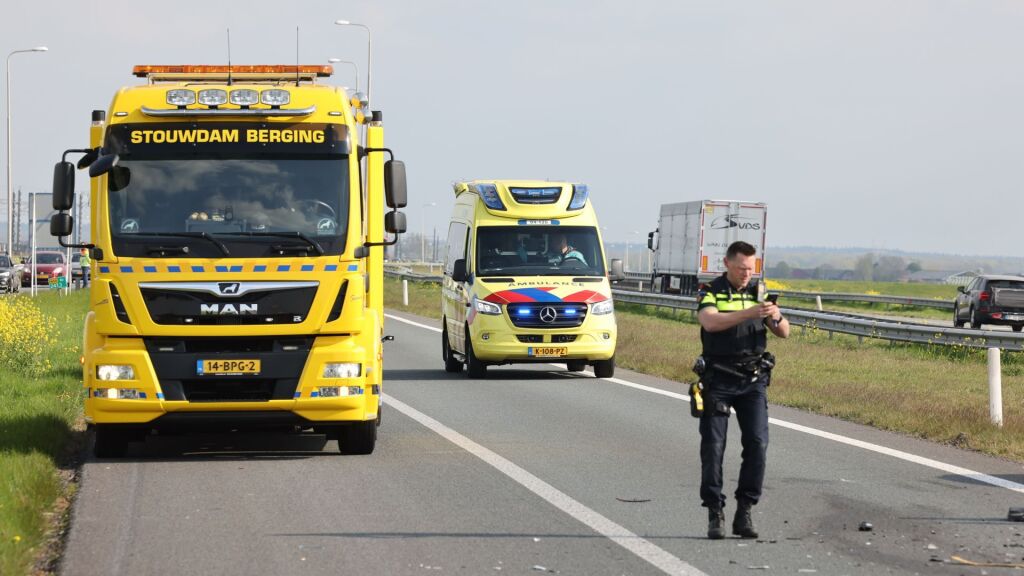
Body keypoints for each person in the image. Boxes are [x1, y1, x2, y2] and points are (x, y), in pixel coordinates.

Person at [695, 241, 789, 540]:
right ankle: (715, 511)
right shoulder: (710, 290)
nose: (746, 274)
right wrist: (749, 313)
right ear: (727, 264)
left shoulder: (758, 293)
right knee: (714, 447)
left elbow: (784, 332)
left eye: (750, 269)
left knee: (758, 443)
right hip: (719, 379)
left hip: (753, 380)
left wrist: (773, 315)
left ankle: (745, 509)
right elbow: (710, 322)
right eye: (741, 268)